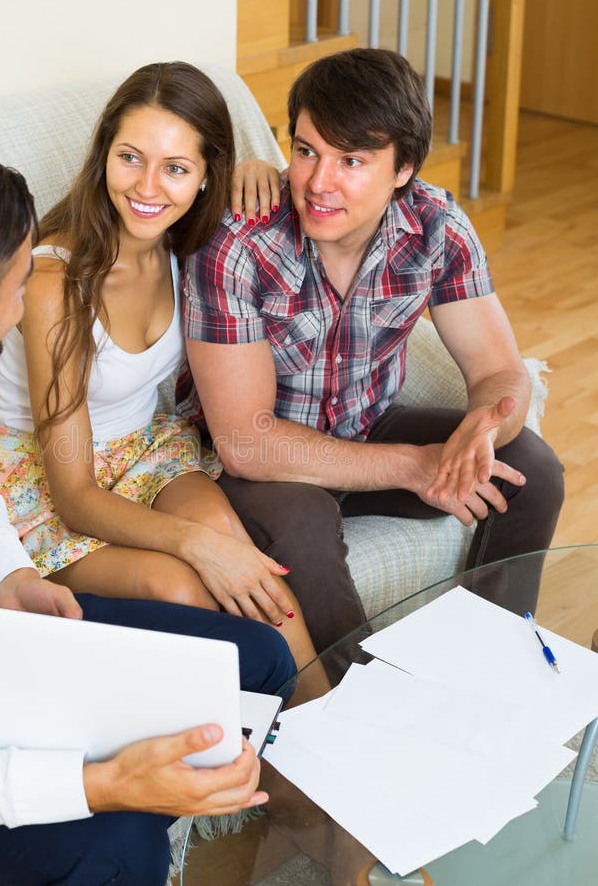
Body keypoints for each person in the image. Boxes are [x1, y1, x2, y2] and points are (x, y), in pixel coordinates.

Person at [0, 147, 296, 886]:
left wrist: (8, 575)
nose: (31, 286)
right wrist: (101, 784)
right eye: (18, 279)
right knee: (120, 849)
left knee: (255, 661)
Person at [180, 48, 564, 622]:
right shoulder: (238, 242)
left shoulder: (435, 224)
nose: (318, 183)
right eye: (307, 151)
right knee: (301, 525)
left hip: (366, 426)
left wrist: (478, 435)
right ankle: (349, 704)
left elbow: (498, 371)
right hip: (257, 463)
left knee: (529, 467)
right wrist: (412, 466)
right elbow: (246, 442)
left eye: (352, 161)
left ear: (403, 170)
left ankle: (492, 661)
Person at [0, 61, 324, 672]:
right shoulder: (54, 286)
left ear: (204, 178)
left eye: (175, 168)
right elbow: (75, 495)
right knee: (185, 586)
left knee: (241, 560)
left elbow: (297, 194)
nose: (146, 187)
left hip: (145, 446)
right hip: (49, 481)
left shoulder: (187, 242)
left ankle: (325, 737)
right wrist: (197, 546)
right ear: (103, 153)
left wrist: (256, 169)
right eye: (130, 157)